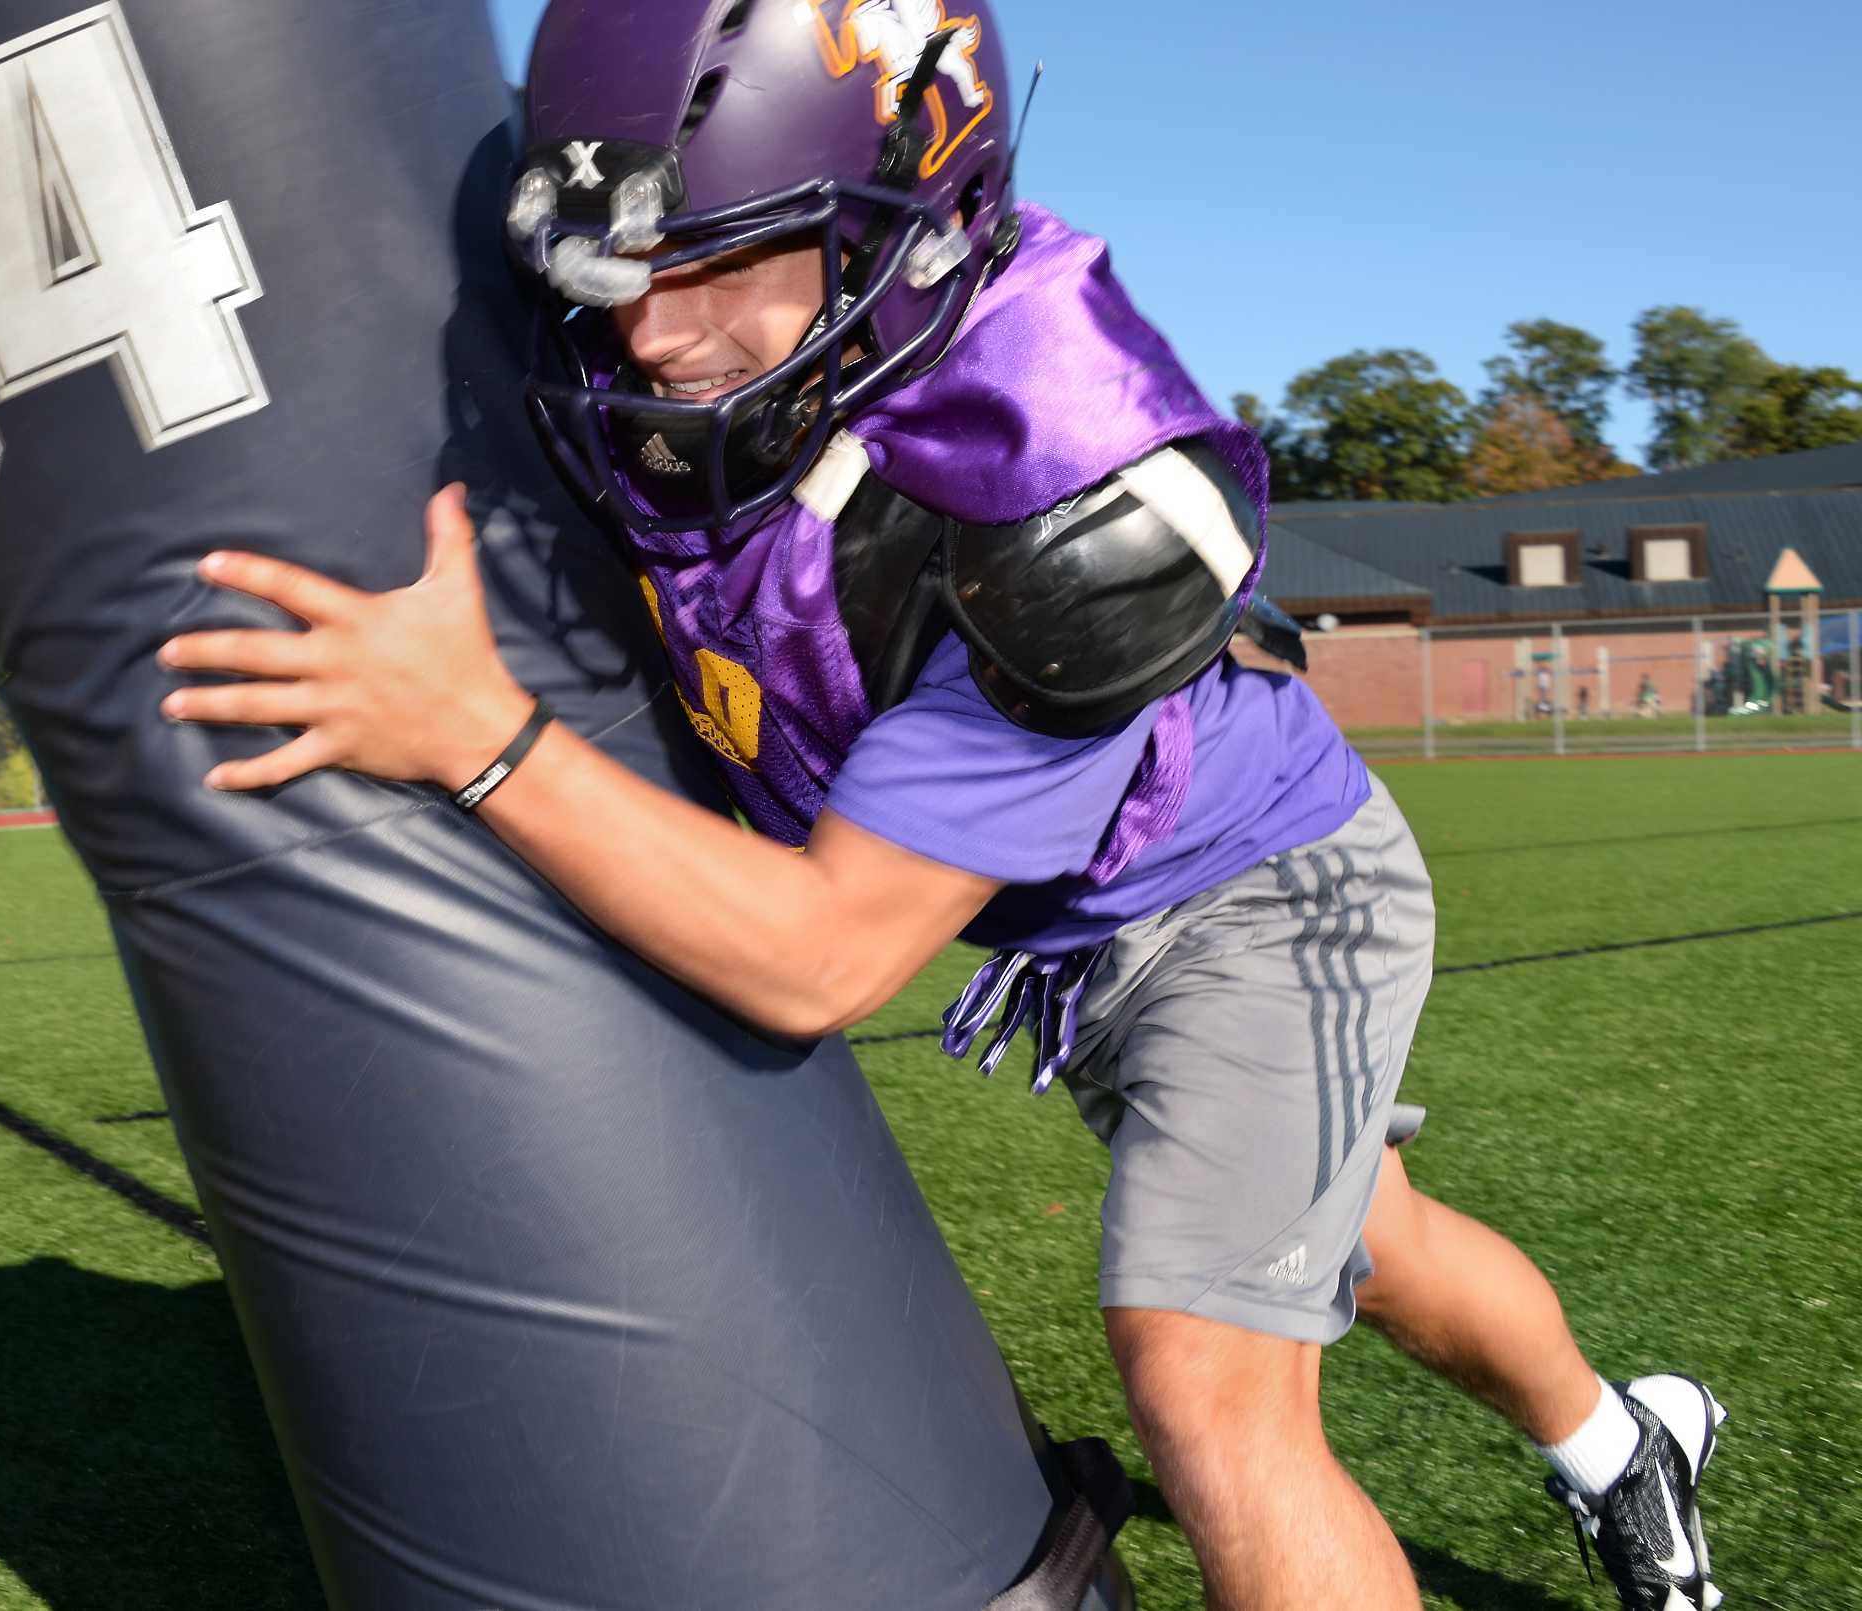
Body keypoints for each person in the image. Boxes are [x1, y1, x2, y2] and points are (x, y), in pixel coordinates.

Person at [158, 3, 1725, 1605]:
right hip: (1083, 923)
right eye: (621, 263)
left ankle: (1614, 1459)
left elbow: (822, 958)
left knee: (1206, 1378)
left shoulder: (1054, 503)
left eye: (716, 259)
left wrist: (476, 733)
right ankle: (1624, 1448)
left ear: (904, 230)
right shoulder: (729, 371)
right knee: (1371, 1244)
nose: (650, 334)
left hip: (1261, 892)